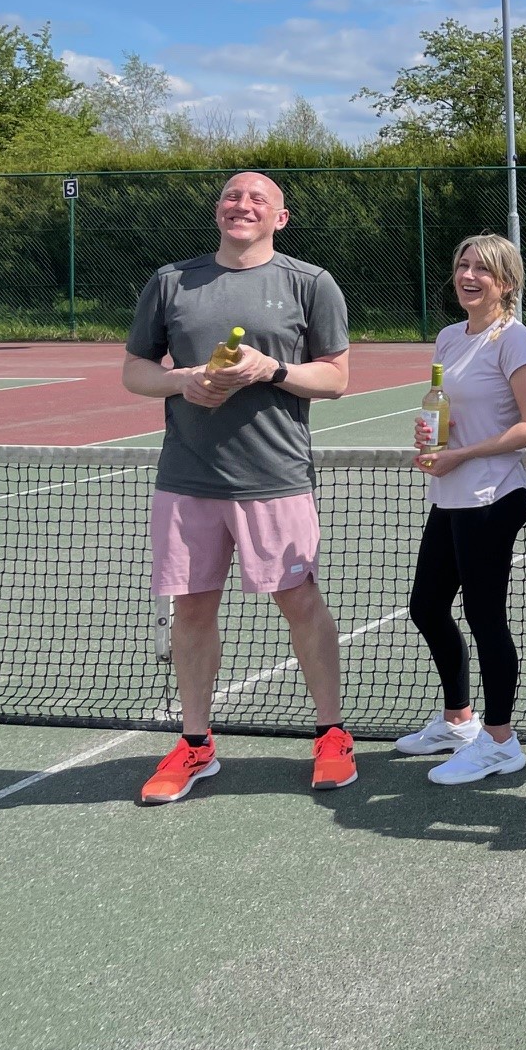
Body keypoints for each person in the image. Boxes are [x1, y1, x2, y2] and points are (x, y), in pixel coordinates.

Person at [123, 171, 354, 803]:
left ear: (281, 218)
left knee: (299, 600)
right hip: (186, 479)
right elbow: (136, 370)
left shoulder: (310, 283)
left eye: (258, 199)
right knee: (192, 607)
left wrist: (271, 368)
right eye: (232, 196)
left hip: (274, 478)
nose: (242, 205)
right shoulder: (172, 281)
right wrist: (184, 381)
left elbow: (334, 379)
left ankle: (331, 734)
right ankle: (196, 744)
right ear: (217, 211)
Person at [395, 234, 526, 784]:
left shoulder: (514, 340)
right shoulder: (447, 337)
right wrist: (437, 433)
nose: (468, 274)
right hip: (452, 493)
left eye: (482, 269)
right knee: (427, 606)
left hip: (493, 496)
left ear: (505, 283)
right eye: (462, 263)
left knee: (486, 617)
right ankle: (460, 720)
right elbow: (452, 408)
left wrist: (462, 452)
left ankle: (501, 741)